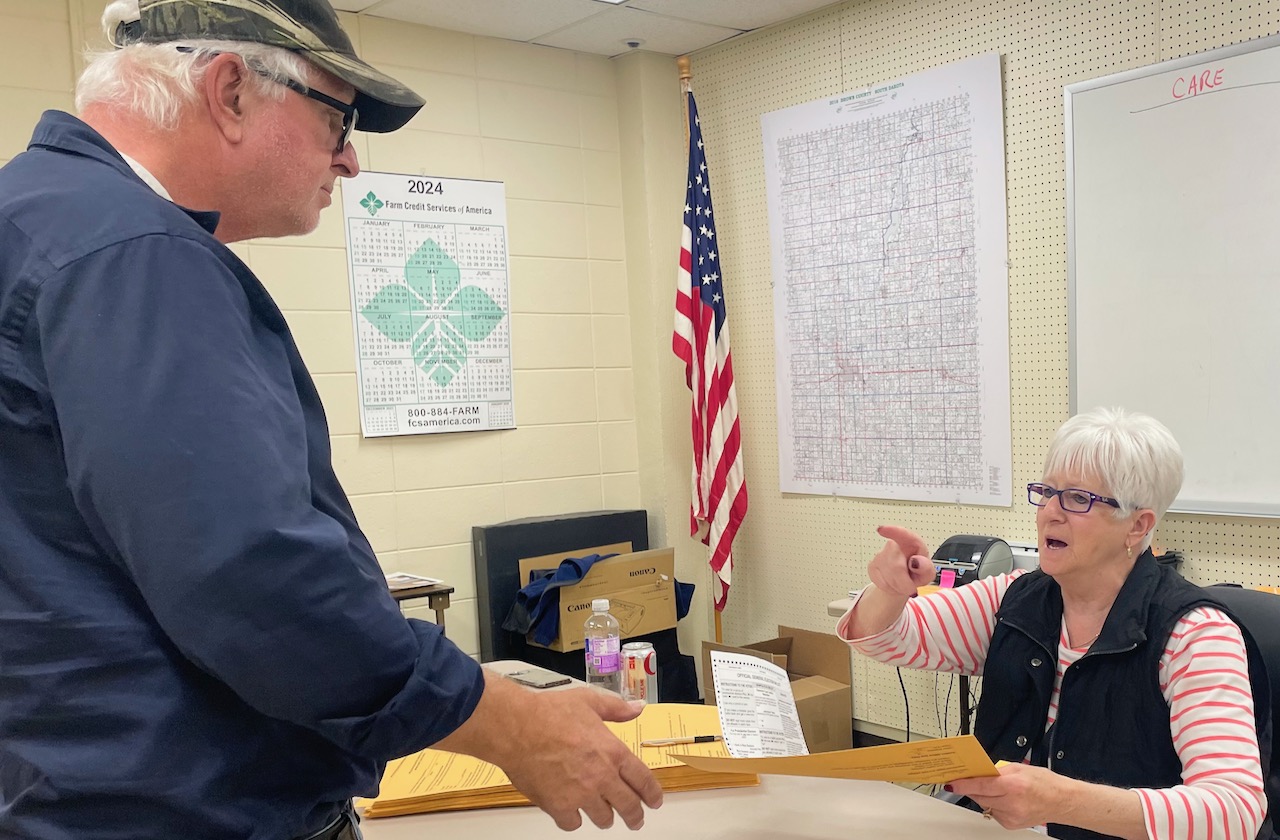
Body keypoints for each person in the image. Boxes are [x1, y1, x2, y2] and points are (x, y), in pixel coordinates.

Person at [0, 1, 662, 838]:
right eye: (337, 120)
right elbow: (248, 571)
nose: (349, 160)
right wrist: (502, 720)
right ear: (231, 91)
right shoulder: (136, 251)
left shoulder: (32, 218)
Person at [837, 407, 1273, 840]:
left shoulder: (1196, 634)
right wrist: (890, 590)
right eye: (1047, 491)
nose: (1050, 512)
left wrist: (1063, 801)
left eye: (1079, 499)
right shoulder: (1017, 597)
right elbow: (884, 637)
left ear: (1137, 526)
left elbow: (1233, 812)